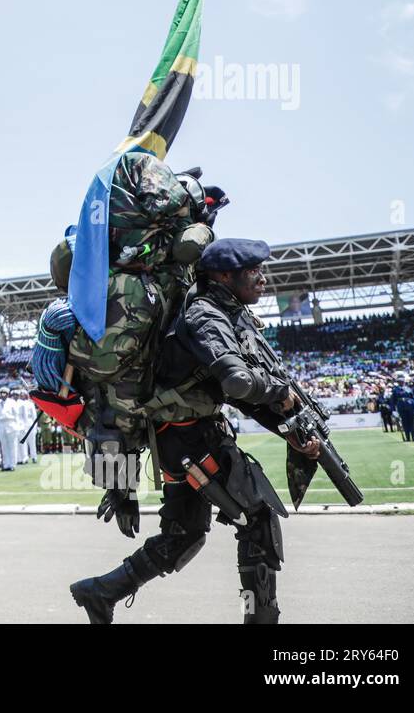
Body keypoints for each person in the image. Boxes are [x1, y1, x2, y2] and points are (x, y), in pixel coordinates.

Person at [69, 238, 320, 625]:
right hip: (190, 438)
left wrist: (287, 429)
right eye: (253, 271)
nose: (262, 278)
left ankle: (101, 592)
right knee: (258, 521)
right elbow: (237, 382)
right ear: (224, 275)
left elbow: (235, 392)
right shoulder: (205, 313)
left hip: (183, 437)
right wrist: (279, 392)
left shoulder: (219, 309)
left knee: (185, 534)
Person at [390, 372, 414, 442]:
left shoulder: (408, 388)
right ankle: (407, 437)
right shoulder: (395, 390)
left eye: (402, 381)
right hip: (401, 407)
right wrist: (393, 410)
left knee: (411, 422)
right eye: (400, 381)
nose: (401, 382)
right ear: (398, 382)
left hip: (410, 407)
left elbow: (413, 398)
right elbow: (393, 400)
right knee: (405, 422)